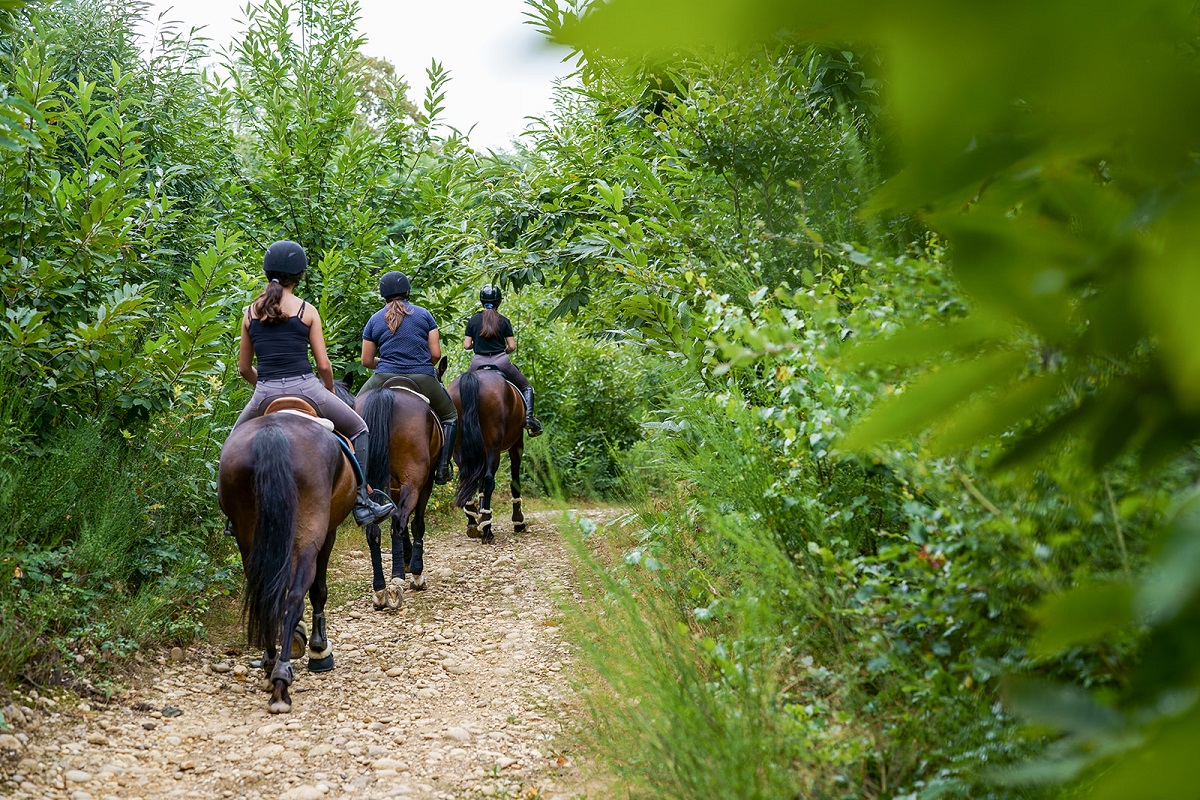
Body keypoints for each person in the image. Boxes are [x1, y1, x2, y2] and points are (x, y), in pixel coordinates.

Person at [229, 240, 394, 527]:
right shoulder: (307, 310)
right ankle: (362, 501)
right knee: (359, 429)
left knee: (232, 443)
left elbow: (244, 368)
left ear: (268, 272)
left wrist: (263, 386)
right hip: (307, 388)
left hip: (265, 393)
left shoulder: (249, 312)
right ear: (300, 275)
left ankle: (233, 512)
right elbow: (323, 365)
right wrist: (327, 391)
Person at [360, 270, 459, 485]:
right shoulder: (424, 315)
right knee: (451, 416)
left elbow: (366, 361)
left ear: (383, 294)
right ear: (407, 291)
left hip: (383, 375)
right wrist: (419, 366)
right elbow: (436, 354)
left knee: (354, 413)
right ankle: (442, 469)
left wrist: (386, 364)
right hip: (422, 376)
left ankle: (356, 473)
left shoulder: (374, 320)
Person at [463, 284, 542, 436]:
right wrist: (503, 351)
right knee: (526, 387)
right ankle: (528, 419)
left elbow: (467, 345)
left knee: (464, 387)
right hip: (501, 361)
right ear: (498, 301)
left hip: (478, 362)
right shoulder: (504, 321)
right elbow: (512, 346)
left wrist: (476, 344)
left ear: (481, 300)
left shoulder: (473, 320)